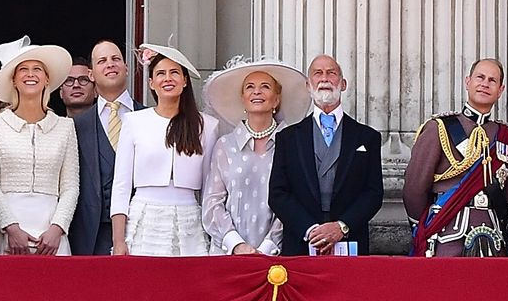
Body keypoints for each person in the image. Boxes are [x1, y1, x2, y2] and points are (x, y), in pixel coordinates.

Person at [110, 45, 221, 256]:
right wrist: (118, 240)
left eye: (174, 73)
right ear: (151, 82)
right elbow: (121, 186)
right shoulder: (133, 122)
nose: (168, 79)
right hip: (144, 218)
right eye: (160, 73)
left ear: (185, 80)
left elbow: (209, 189)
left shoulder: (207, 125)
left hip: (189, 220)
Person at [271, 54, 384, 257]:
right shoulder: (288, 138)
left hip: (350, 241)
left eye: (331, 73)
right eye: (318, 73)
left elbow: (373, 193)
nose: (324, 78)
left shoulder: (367, 137)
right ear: (308, 84)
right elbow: (278, 193)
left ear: (343, 84)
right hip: (300, 242)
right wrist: (310, 230)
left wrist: (342, 226)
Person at [404, 58, 508, 257]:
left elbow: (505, 191)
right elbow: (415, 188)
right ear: (468, 82)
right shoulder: (439, 128)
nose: (485, 83)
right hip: (447, 233)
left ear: (501, 90)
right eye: (480, 77)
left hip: (492, 234)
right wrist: (424, 227)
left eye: (492, 80)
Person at [204, 58, 311, 255]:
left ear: (277, 99)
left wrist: (268, 247)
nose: (257, 91)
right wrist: (237, 244)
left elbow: (296, 201)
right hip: (228, 254)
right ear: (243, 98)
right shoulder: (225, 145)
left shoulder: (292, 145)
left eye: (265, 87)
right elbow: (212, 203)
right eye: (250, 87)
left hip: (277, 255)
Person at [0, 43, 79, 255]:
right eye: (23, 69)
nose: (30, 75)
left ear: (47, 79)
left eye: (37, 69)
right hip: (6, 230)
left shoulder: (65, 127)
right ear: (13, 80)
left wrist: (57, 228)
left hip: (51, 233)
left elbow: (70, 186)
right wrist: (10, 227)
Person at [70, 40, 137, 256]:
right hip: (91, 236)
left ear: (126, 68)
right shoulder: (77, 126)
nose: (110, 64)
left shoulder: (149, 118)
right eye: (102, 61)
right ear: (91, 74)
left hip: (141, 228)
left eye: (116, 59)